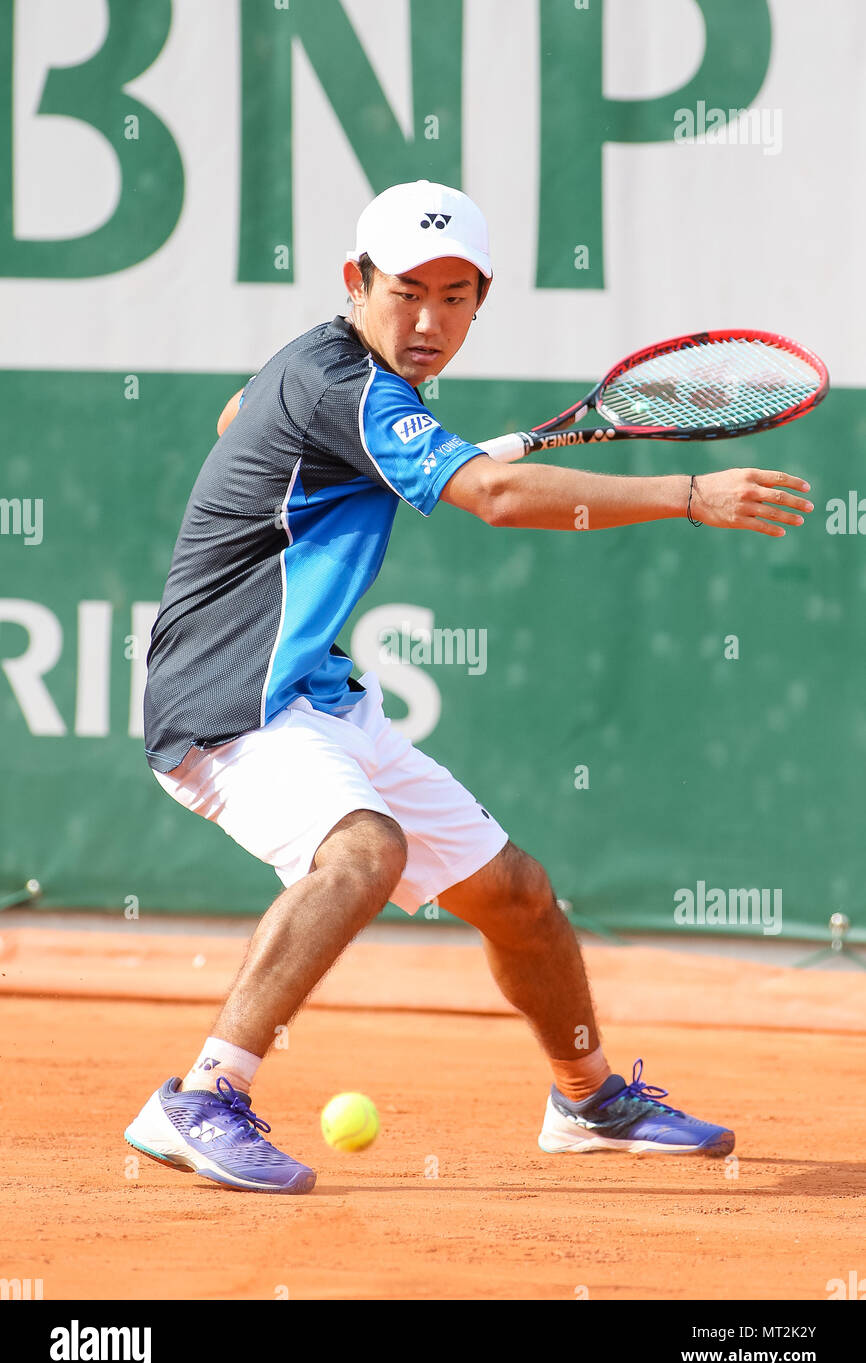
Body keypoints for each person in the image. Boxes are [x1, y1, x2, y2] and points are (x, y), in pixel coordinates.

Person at [125, 180, 813, 1193]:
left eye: (456, 297)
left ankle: (586, 1100)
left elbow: (240, 412)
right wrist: (685, 492)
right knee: (365, 851)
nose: (428, 320)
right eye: (406, 290)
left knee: (520, 897)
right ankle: (202, 1095)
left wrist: (367, 459)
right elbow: (490, 495)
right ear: (355, 281)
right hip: (229, 697)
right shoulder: (341, 384)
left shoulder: (331, 377)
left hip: (318, 697)